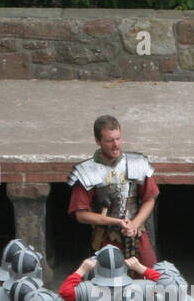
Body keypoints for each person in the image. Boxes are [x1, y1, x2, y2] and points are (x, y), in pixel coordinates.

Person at [68, 114, 160, 266]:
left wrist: (134, 224)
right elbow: (81, 215)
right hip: (106, 237)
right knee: (108, 281)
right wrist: (117, 222)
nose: (116, 144)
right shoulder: (86, 172)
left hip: (136, 234)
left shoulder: (136, 163)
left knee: (151, 280)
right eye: (110, 140)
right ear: (98, 141)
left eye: (118, 138)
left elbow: (150, 199)